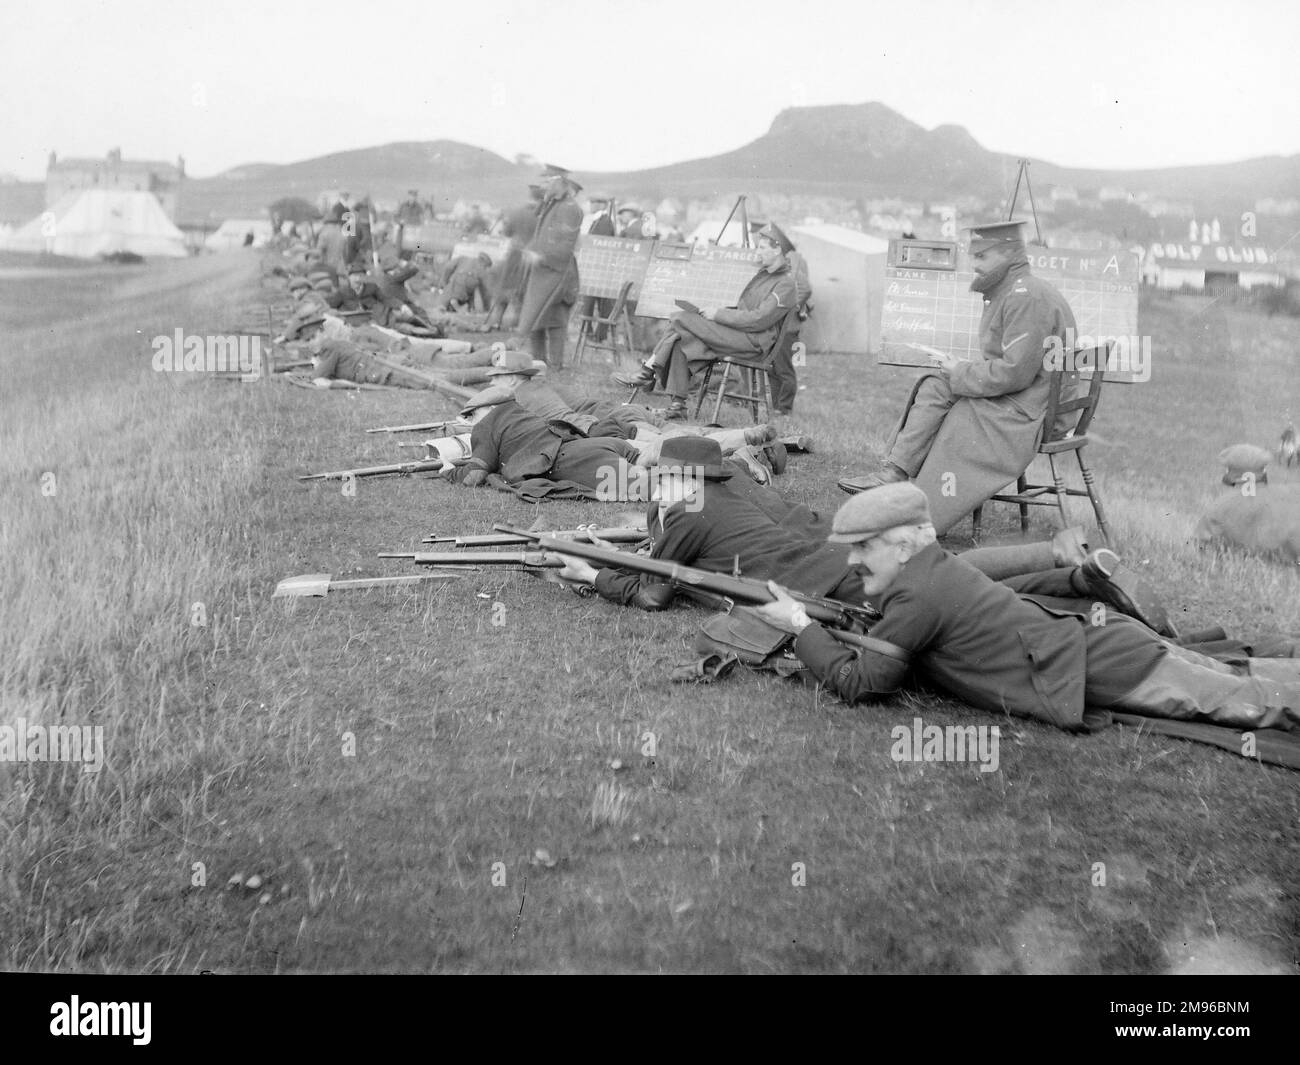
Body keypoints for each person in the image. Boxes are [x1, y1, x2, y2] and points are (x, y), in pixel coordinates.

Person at [755, 483, 1300, 734]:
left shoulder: (918, 593)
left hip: (1111, 663)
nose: (851, 560)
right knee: (1242, 678)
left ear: (902, 546)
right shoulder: (934, 570)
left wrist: (800, 626)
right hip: (1106, 649)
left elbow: (863, 685)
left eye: (863, 546)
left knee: (1248, 701)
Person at [555, 440, 1168, 628]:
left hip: (808, 579)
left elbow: (657, 589)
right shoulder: (722, 487)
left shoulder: (684, 510)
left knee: (937, 586)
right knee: (941, 577)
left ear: (671, 477)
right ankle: (1074, 575)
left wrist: (592, 576)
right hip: (813, 553)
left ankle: (1065, 570)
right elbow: (665, 555)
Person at [837, 220, 1078, 536]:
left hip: (1031, 410)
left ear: (1008, 253)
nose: (974, 265)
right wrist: (956, 371)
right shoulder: (1015, 290)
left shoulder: (1025, 297)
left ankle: (919, 518)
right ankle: (895, 473)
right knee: (937, 385)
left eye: (982, 257)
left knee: (960, 416)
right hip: (1024, 397)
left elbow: (1015, 374)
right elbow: (1014, 367)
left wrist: (961, 371)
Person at [613, 222, 803, 419]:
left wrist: (718, 315)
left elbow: (758, 319)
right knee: (679, 338)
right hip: (740, 336)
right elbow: (744, 309)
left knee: (680, 317)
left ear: (778, 249)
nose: (757, 252)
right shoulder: (764, 276)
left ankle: (647, 371)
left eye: (762, 247)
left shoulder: (785, 284)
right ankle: (677, 407)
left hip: (754, 343)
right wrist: (714, 312)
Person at [450, 387, 649, 500]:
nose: (470, 421)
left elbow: (473, 476)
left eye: (472, 414)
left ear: (491, 408)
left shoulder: (487, 423)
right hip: (595, 444)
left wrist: (448, 470)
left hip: (572, 459)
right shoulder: (521, 415)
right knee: (658, 462)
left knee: (651, 487)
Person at [513, 164, 584, 368]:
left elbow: (565, 245)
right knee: (538, 319)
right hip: (544, 272)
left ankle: (556, 366)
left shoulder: (570, 209)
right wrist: (531, 251)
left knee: (555, 321)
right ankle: (539, 362)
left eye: (547, 181)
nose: (543, 185)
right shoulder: (553, 204)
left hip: (558, 273)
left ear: (558, 182)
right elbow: (542, 235)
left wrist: (540, 257)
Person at [482, 185, 543, 332]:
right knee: (523, 291)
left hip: (514, 254)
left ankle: (496, 321)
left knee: (505, 287)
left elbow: (507, 233)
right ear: (541, 198)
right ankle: (517, 324)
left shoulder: (516, 212)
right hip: (531, 257)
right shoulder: (542, 215)